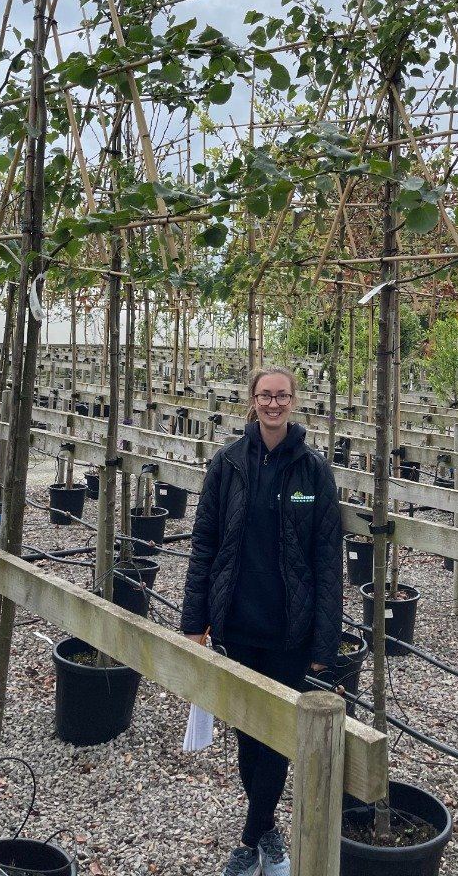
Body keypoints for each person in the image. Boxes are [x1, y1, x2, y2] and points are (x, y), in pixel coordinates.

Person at [181, 365, 343, 876]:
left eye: (282, 395)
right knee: (248, 732)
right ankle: (268, 832)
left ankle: (250, 840)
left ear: (294, 401)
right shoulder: (227, 464)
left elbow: (327, 559)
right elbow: (204, 543)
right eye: (265, 395)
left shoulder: (313, 471)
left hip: (288, 628)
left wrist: (325, 642)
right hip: (236, 621)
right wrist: (195, 619)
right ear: (252, 400)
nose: (274, 403)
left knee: (277, 734)